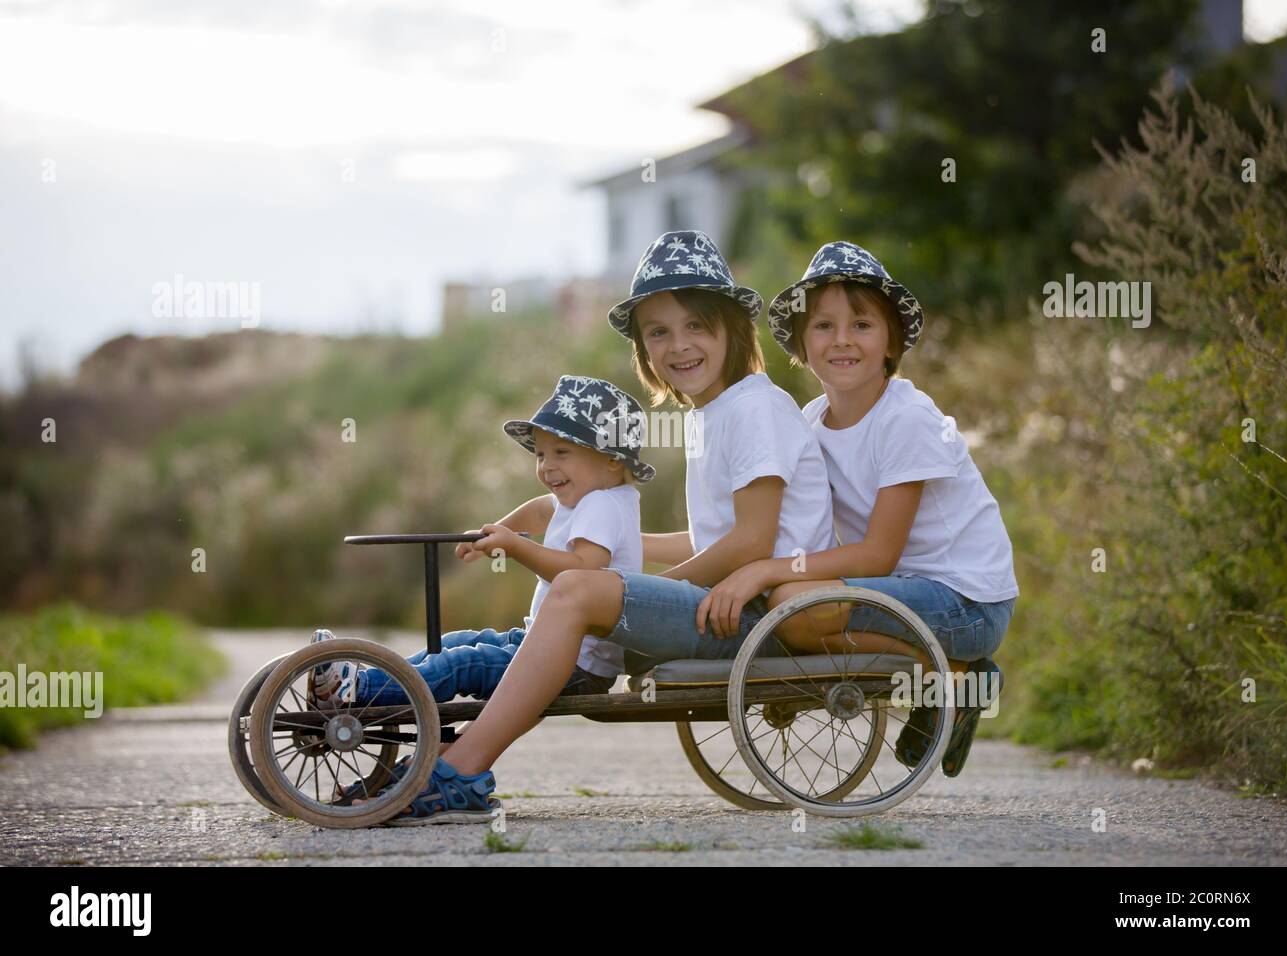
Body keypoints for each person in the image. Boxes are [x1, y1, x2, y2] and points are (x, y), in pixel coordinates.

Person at [376, 229, 836, 823]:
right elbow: (712, 538)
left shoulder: (754, 409)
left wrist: (645, 590)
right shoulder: (716, 413)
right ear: (644, 349)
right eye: (659, 333)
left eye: (698, 326)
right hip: (733, 603)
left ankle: (462, 770)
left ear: (732, 328)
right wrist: (631, 558)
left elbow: (754, 541)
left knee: (574, 589)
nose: (679, 346)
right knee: (556, 602)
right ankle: (423, 729)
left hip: (762, 614)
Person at [702, 240, 1019, 777]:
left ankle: (955, 677)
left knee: (795, 605)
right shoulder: (810, 420)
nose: (842, 340)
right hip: (905, 589)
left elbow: (876, 553)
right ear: (801, 342)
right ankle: (945, 673)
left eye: (863, 325)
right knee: (792, 599)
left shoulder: (908, 419)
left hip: (966, 601)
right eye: (823, 326)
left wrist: (765, 569)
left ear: (892, 340)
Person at [310, 375, 652, 820]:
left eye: (562, 453)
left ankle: (364, 690)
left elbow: (584, 572)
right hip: (547, 643)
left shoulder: (604, 506)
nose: (547, 466)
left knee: (463, 663)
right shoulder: (589, 496)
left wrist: (517, 547)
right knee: (456, 644)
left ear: (611, 460)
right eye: (542, 454)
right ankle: (376, 691)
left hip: (578, 663)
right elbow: (539, 508)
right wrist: (493, 530)